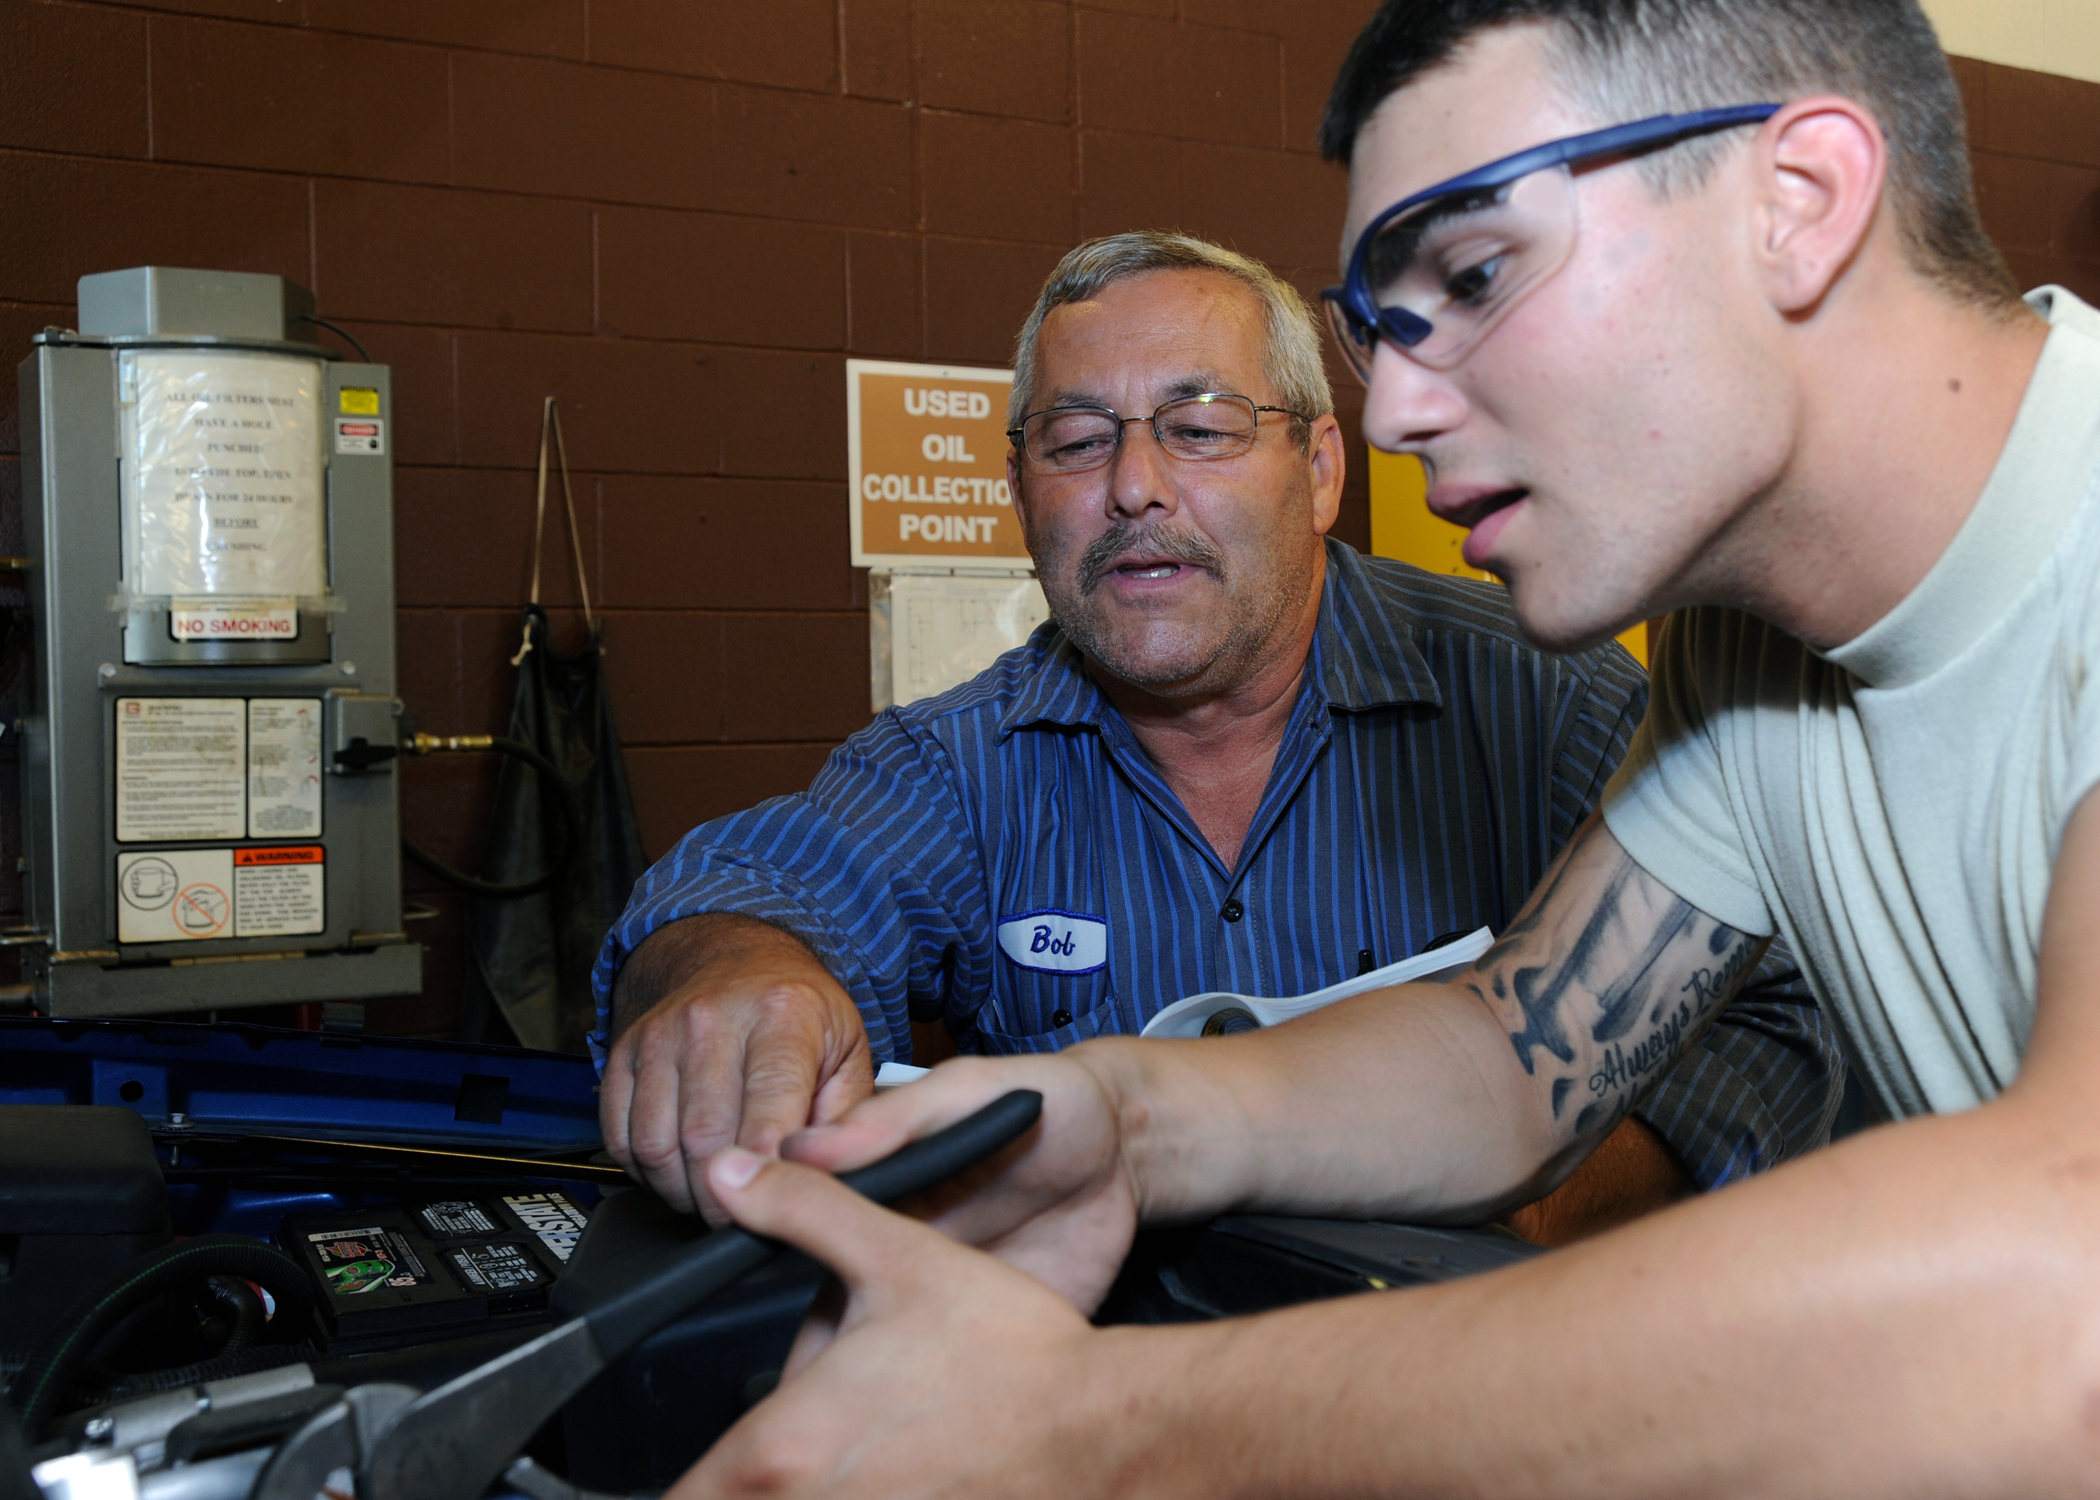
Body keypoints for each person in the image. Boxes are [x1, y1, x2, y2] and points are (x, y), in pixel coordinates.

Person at [667, 2, 2100, 1496]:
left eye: (1474, 276)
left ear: (1796, 205)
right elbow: (1517, 1050)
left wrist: (1092, 1421)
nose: (1399, 410)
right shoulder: (1752, 652)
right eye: (1382, 323)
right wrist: (1120, 1120)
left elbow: (2058, 1310)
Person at [594, 232, 1839, 1237]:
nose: (1134, 486)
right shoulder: (959, 765)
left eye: (1198, 428)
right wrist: (728, 974)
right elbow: (778, 881)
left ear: (1319, 470)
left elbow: (1770, 1024)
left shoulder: (1543, 698)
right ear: (1021, 491)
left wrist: (1541, 1189)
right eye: (1077, 442)